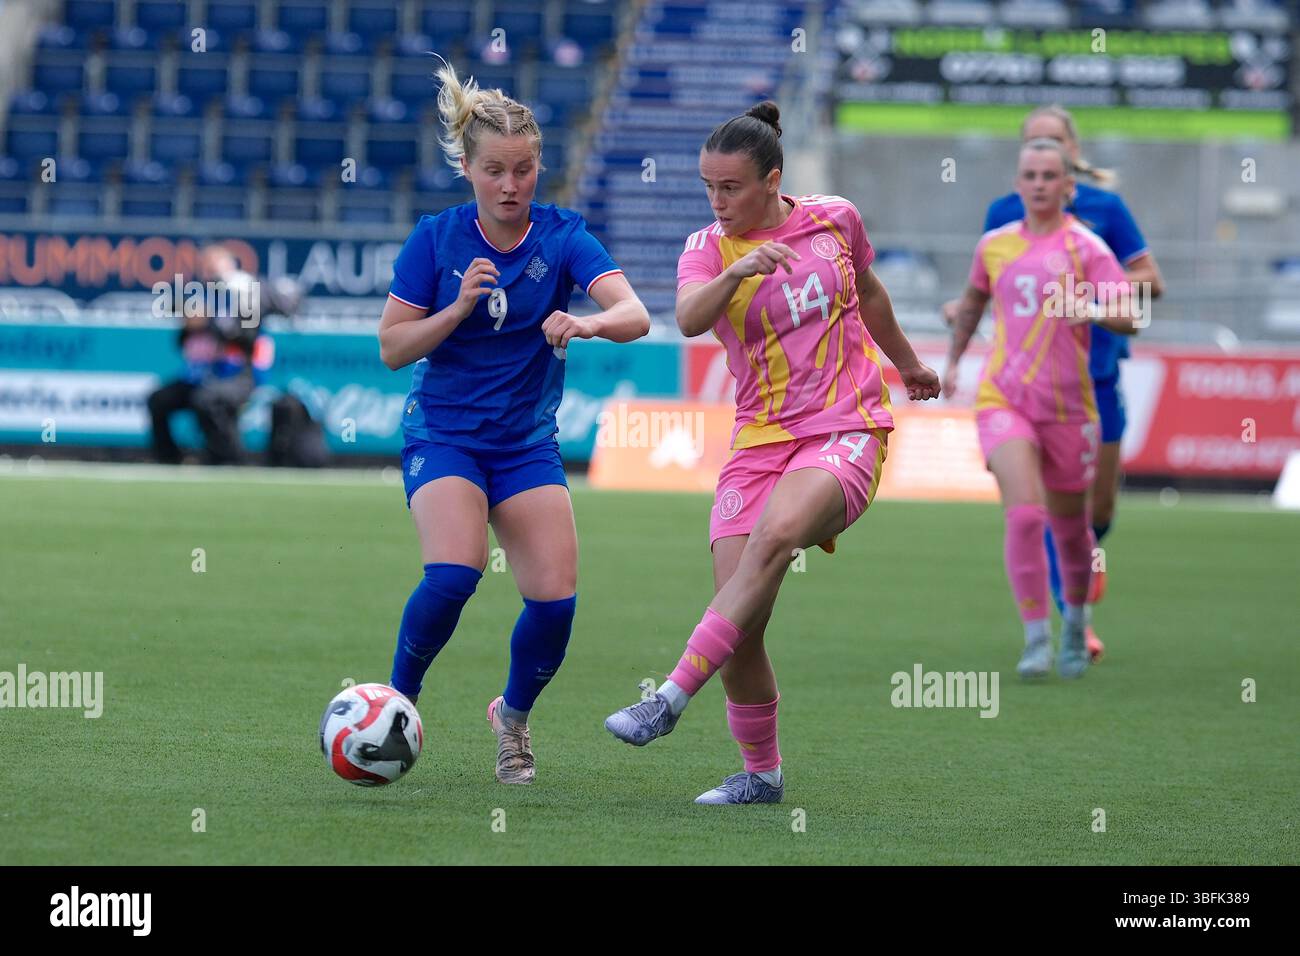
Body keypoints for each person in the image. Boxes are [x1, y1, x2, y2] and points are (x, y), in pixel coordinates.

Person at [603, 101, 941, 804]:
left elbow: (870, 293)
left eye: (730, 187)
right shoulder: (706, 248)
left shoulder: (834, 218)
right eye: (708, 186)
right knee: (741, 624)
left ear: (772, 181)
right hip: (758, 442)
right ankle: (762, 775)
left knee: (773, 539)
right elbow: (691, 319)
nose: (717, 201)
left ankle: (665, 699)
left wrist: (906, 366)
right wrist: (740, 271)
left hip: (847, 427)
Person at [378, 62, 649, 785]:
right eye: (495, 170)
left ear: (538, 169)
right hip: (445, 437)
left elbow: (637, 314)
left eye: (524, 170)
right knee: (455, 572)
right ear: (467, 168)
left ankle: (514, 721)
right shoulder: (435, 241)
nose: (510, 185)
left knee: (555, 599)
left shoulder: (561, 236)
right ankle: (396, 705)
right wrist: (456, 310)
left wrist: (587, 324)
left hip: (525, 445)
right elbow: (393, 348)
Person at [944, 105, 1165, 661]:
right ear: (1018, 177)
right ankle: (1037, 636)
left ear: (1071, 173)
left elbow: (1139, 304)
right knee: (1024, 512)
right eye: (1030, 168)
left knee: (1083, 522)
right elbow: (981, 293)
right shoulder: (997, 232)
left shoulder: (1095, 232)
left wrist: (1089, 304)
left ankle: (1077, 616)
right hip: (1006, 395)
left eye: (1050, 166)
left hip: (1079, 393)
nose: (1039, 181)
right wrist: (953, 357)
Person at [147, 244, 271, 465]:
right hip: (201, 375)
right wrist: (189, 322)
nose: (210, 274)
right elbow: (182, 341)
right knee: (159, 399)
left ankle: (231, 459)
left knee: (207, 400)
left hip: (237, 374)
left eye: (215, 269)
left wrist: (210, 322)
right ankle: (170, 459)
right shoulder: (201, 296)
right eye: (206, 269)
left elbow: (247, 338)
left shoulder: (247, 295)